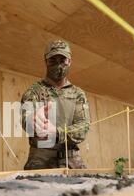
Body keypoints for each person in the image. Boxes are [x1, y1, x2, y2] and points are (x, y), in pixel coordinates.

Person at [21, 40, 90, 169]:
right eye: (53, 60)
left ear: (69, 61)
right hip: (40, 161)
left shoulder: (78, 94)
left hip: (72, 162)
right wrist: (33, 120)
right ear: (46, 61)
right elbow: (26, 119)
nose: (58, 65)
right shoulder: (34, 92)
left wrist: (57, 133)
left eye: (62, 60)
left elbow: (83, 127)